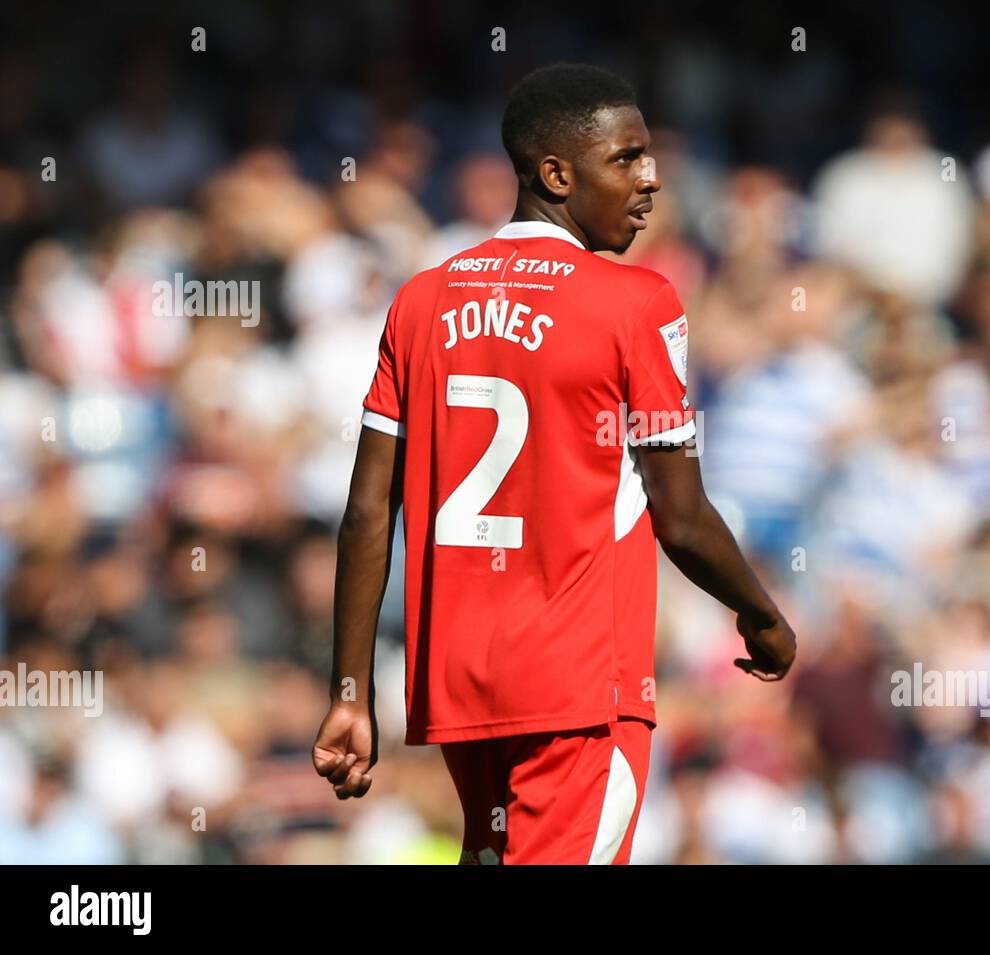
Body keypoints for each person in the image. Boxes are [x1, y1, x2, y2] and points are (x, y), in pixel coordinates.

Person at [312, 63, 796, 864]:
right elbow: (681, 518)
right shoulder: (638, 303)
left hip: (459, 682)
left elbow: (368, 511)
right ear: (556, 173)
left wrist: (349, 691)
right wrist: (763, 616)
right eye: (627, 158)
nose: (652, 180)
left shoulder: (421, 300)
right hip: (580, 686)